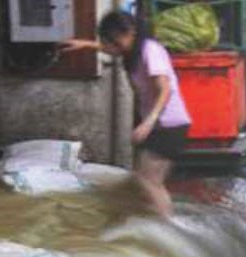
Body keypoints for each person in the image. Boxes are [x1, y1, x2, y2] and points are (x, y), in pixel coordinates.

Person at [62, 11, 191, 217]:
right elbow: (112, 50)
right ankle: (158, 221)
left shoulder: (150, 50)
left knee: (148, 180)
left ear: (130, 32)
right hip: (159, 124)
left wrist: (148, 122)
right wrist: (86, 45)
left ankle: (168, 225)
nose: (112, 47)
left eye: (114, 40)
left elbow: (164, 89)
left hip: (169, 124)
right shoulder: (132, 51)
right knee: (144, 181)